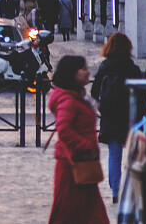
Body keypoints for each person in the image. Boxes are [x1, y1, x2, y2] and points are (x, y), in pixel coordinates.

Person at [47, 54, 110, 224]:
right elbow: (64, 130)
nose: (88, 73)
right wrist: (87, 146)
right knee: (69, 211)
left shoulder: (76, 96)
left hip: (81, 161)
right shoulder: (68, 100)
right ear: (72, 73)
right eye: (83, 69)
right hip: (72, 163)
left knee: (89, 211)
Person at [91, 32, 141, 200]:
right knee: (133, 154)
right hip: (129, 114)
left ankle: (115, 191)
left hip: (111, 115)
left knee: (114, 154)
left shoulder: (105, 67)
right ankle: (132, 189)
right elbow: (141, 93)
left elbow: (94, 91)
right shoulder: (132, 68)